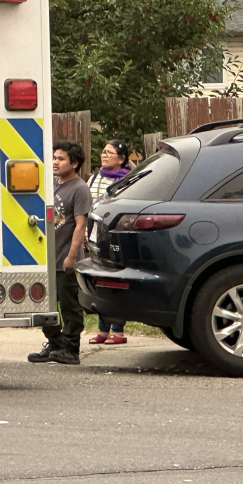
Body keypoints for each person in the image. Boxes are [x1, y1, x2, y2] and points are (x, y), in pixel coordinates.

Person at [28, 141, 92, 365]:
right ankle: (55, 344)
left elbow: (80, 225)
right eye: (54, 158)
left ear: (74, 163)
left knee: (69, 307)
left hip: (65, 258)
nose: (55, 162)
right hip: (47, 258)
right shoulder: (52, 184)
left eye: (61, 159)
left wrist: (71, 257)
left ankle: (71, 350)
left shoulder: (80, 189)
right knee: (45, 306)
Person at [86, 140, 131, 345]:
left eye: (109, 153)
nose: (104, 156)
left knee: (115, 284)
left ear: (121, 159)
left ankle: (118, 331)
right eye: (103, 152)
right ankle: (102, 330)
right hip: (96, 236)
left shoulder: (128, 179)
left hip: (115, 236)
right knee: (99, 283)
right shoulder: (95, 178)